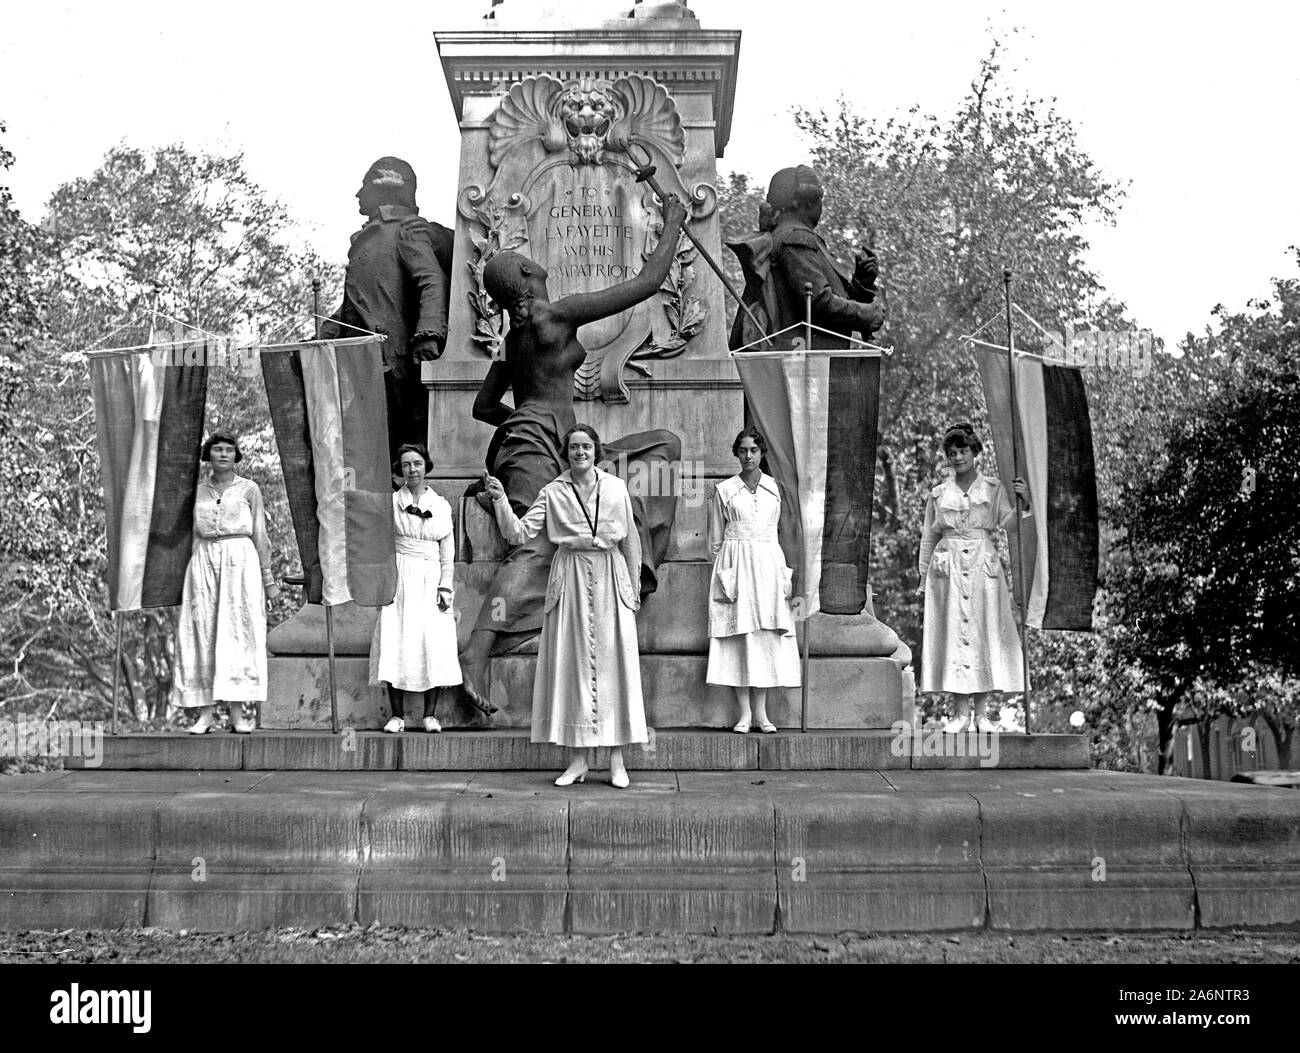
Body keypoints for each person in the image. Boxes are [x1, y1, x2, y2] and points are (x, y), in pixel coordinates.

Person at [456, 194, 689, 714]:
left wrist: (520, 422)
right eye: (527, 258)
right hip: (540, 442)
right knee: (535, 543)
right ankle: (476, 649)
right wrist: (674, 219)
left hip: (555, 441)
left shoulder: (513, 339)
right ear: (524, 273)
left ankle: (626, 571)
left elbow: (482, 406)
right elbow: (648, 284)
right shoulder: (556, 315)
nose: (537, 260)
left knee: (662, 449)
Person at [484, 424, 646, 788]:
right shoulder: (553, 491)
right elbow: (518, 534)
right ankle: (577, 761)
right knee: (572, 669)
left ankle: (617, 761)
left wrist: (632, 587)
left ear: (596, 450)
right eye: (573, 447)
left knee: (614, 667)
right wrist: (500, 499)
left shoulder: (616, 487)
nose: (580, 452)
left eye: (586, 446)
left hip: (609, 575)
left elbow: (631, 539)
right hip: (570, 577)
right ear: (566, 452)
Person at [320, 156, 453, 460]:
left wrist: (428, 335)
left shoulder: (405, 231)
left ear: (385, 189)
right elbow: (355, 306)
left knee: (400, 445)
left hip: (396, 363)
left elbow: (432, 281)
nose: (358, 194)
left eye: (364, 185)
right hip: (364, 362)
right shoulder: (369, 240)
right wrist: (322, 335)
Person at [916, 422, 1032, 732]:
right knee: (954, 635)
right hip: (949, 565)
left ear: (974, 452)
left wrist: (1023, 501)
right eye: (952, 453)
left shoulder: (992, 489)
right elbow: (929, 535)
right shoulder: (939, 494)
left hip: (982, 563)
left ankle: (981, 714)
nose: (957, 458)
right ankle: (960, 714)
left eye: (963, 451)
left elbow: (1007, 522)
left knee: (982, 635)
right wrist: (923, 573)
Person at [175, 432, 279, 733]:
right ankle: (205, 715)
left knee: (239, 633)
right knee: (202, 632)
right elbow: (191, 534)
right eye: (217, 450)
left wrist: (268, 578)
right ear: (208, 455)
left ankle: (237, 714)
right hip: (205, 561)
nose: (223, 455)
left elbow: (260, 534)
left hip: (240, 560)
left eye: (229, 450)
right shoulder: (197, 492)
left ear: (236, 456)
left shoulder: (250, 489)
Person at [707, 428, 800, 733]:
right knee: (740, 638)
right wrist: (725, 575)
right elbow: (715, 541)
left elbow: (786, 532)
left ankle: (762, 714)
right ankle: (744, 714)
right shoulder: (724, 491)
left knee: (764, 637)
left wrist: (787, 572)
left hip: (768, 566)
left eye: (754, 450)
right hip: (736, 565)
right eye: (743, 450)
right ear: (737, 453)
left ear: (762, 454)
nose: (749, 456)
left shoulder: (776, 489)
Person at [370, 443, 462, 733]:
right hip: (399, 574)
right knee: (395, 638)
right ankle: (397, 716)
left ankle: (429, 715)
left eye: (417, 463)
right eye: (407, 464)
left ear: (426, 467)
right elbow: (380, 547)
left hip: (430, 575)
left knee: (431, 640)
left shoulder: (441, 505)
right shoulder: (391, 504)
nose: (412, 469)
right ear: (400, 469)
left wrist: (445, 586)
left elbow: (447, 551)